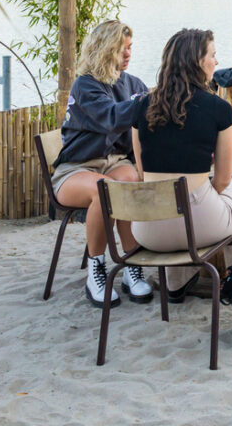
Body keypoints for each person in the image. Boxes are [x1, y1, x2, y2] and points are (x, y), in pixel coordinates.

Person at [129, 29, 232, 296]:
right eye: (213, 55)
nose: (216, 62)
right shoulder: (218, 108)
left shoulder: (141, 106)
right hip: (199, 226)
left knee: (176, 198)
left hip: (147, 230)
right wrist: (205, 200)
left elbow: (142, 171)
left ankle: (177, 282)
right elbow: (223, 180)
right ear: (197, 61)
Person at [51, 19, 153, 306]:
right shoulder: (85, 86)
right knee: (105, 190)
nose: (128, 54)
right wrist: (150, 101)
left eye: (130, 48)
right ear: (105, 50)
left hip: (112, 163)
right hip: (75, 169)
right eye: (122, 48)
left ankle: (131, 263)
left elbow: (148, 121)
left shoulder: (132, 83)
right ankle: (96, 268)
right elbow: (112, 117)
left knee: (130, 182)